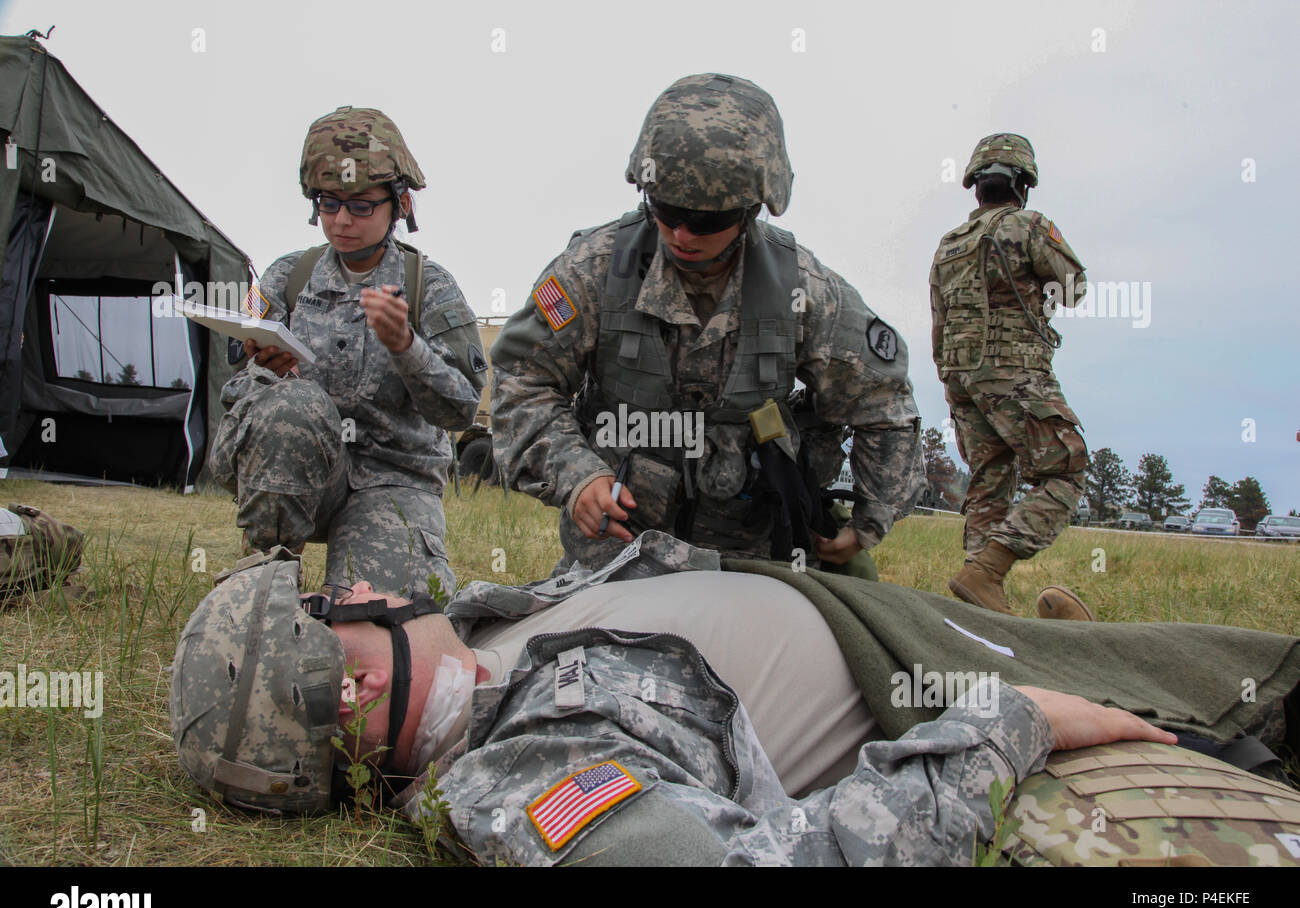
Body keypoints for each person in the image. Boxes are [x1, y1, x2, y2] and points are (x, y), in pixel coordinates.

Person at [171, 540, 1300, 866]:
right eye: (331, 602)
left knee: (1207, 655)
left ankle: (1080, 641)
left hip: (888, 622)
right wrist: (1011, 726)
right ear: (355, 680)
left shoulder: (469, 630)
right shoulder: (522, 775)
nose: (356, 584)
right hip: (942, 708)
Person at [490, 74, 925, 574]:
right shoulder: (594, 269)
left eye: (705, 221)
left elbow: (883, 401)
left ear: (751, 210)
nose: (681, 234)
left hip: (752, 562)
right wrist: (577, 477)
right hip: (619, 556)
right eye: (667, 210)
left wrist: (870, 518)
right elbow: (521, 382)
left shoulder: (802, 290)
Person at [208, 107, 487, 598]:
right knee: (294, 405)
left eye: (360, 206)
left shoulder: (430, 287)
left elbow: (462, 407)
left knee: (376, 621)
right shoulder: (287, 277)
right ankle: (267, 576)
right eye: (329, 203)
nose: (340, 220)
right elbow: (240, 379)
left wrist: (406, 346)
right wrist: (269, 371)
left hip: (392, 481)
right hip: (302, 472)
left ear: (398, 204)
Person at [930, 133, 1089, 618]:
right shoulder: (1029, 225)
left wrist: (954, 395)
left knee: (989, 479)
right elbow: (1073, 289)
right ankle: (989, 570)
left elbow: (938, 323)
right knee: (1065, 470)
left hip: (961, 378)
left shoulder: (949, 245)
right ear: (1023, 184)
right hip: (1013, 371)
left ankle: (981, 607)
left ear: (976, 186)